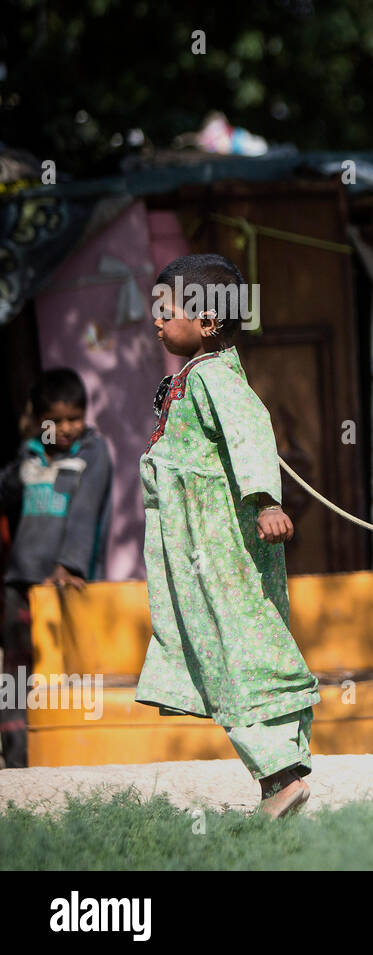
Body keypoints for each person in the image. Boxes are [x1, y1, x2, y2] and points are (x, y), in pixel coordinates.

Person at [136, 253, 318, 817]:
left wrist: (265, 501)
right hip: (194, 551)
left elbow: (250, 432)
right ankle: (277, 781)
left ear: (208, 322)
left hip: (219, 551)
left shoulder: (216, 378)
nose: (156, 319)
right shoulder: (191, 377)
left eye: (166, 309)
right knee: (222, 654)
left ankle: (283, 777)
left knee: (237, 652)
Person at [0, 369, 112, 767]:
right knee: (15, 672)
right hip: (21, 579)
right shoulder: (30, 453)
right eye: (55, 420)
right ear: (39, 418)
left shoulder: (93, 453)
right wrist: (28, 446)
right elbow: (7, 494)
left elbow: (85, 514)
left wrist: (69, 566)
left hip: (68, 581)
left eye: (74, 418)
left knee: (69, 669)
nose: (66, 428)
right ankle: (16, 758)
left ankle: (73, 758)